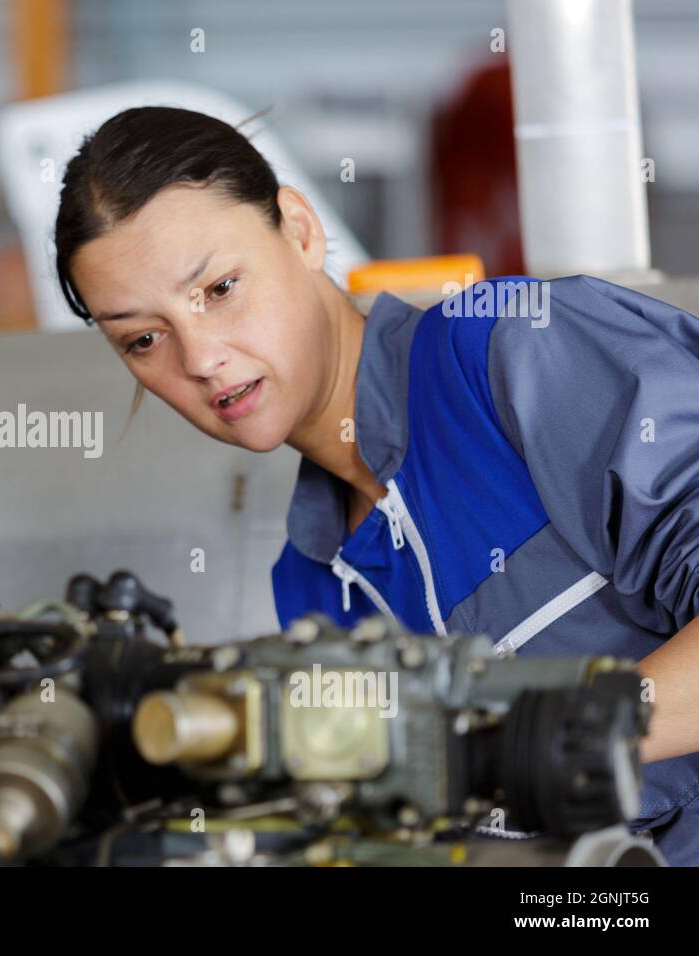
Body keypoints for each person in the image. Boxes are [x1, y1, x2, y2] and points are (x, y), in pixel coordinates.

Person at [52, 105, 699, 864]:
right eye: (144, 339)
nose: (199, 357)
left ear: (299, 229)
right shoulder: (315, 586)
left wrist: (549, 740)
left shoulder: (520, 360)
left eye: (220, 288)